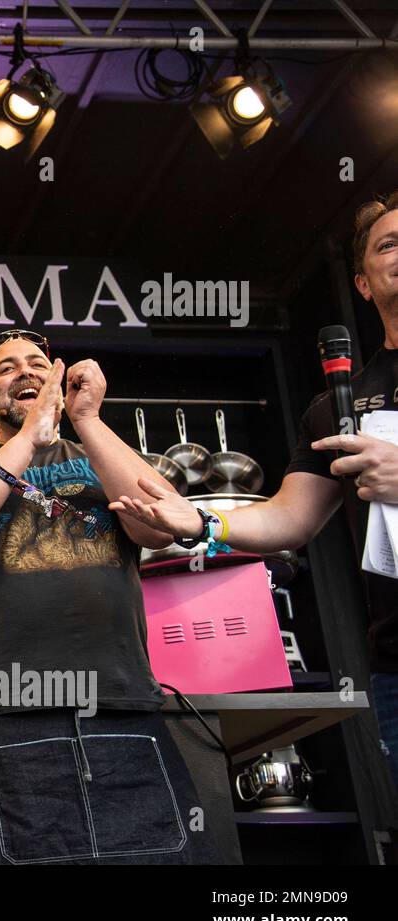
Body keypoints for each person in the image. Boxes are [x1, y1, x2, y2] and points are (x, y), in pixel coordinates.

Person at [110, 192, 398, 794]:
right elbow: (290, 521)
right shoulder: (337, 405)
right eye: (388, 245)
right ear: (363, 284)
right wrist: (199, 523)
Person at [0, 330, 221, 864]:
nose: (26, 372)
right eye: (6, 369)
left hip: (120, 705)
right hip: (2, 708)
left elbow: (164, 525)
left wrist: (87, 420)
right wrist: (30, 437)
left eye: (38, 363)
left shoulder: (99, 455)